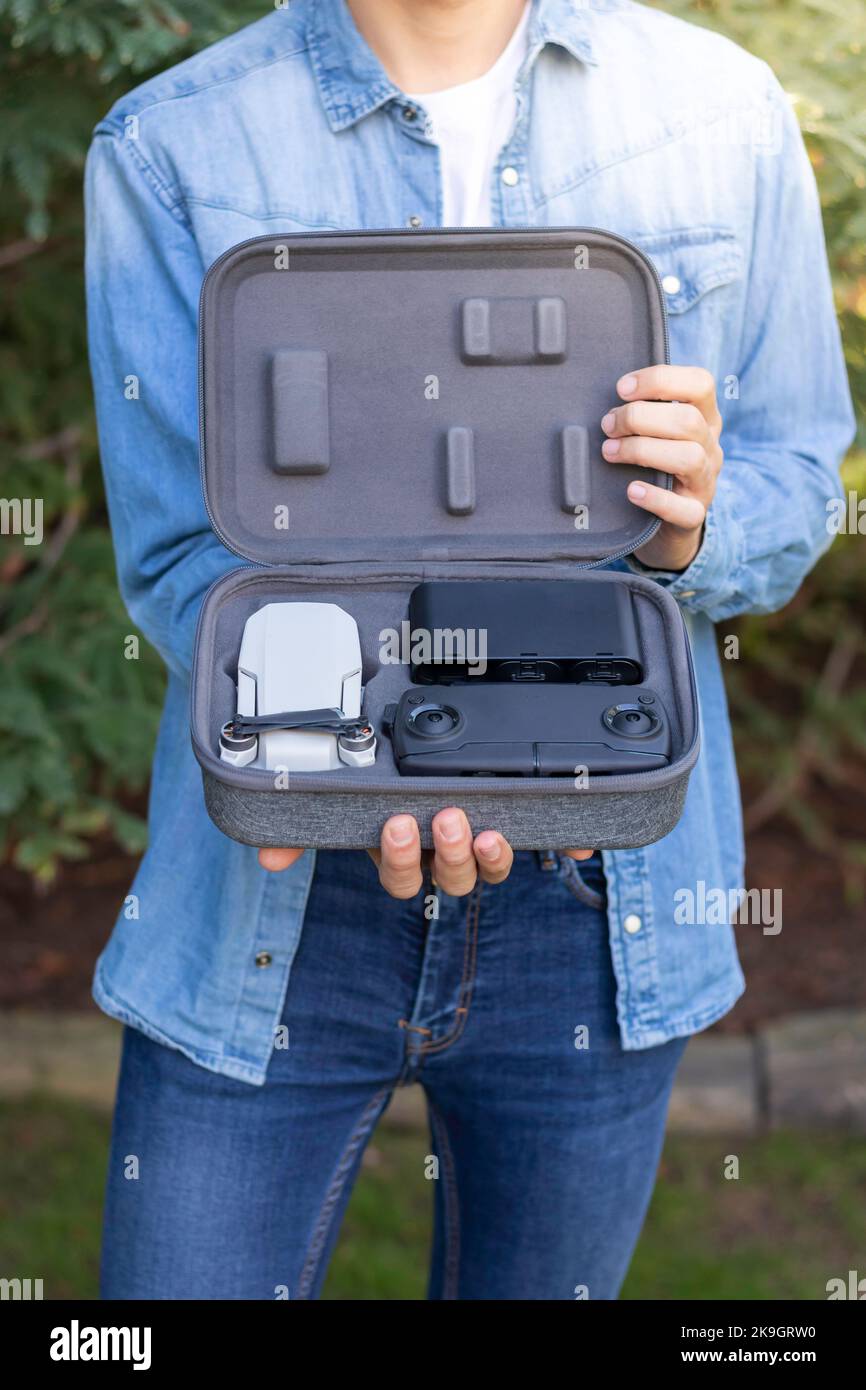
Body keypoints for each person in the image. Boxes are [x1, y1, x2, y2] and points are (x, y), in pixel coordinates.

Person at [85, 0, 854, 1300]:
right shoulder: (171, 145)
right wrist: (343, 767)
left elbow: (800, 480)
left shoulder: (720, 113)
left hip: (600, 903)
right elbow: (180, 563)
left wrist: (690, 529)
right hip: (269, 898)